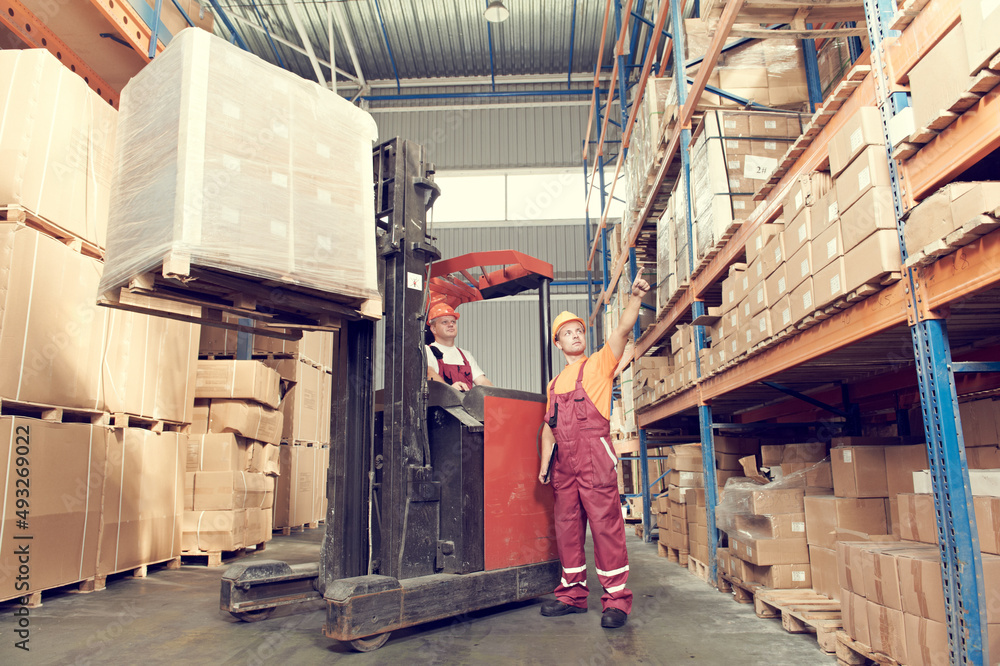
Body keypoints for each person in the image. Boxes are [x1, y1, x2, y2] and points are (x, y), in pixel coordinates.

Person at [537, 271, 650, 629]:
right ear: (558, 343)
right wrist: (544, 464)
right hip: (564, 464)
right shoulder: (554, 384)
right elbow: (548, 427)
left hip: (594, 458)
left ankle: (616, 600)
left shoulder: (599, 364)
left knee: (605, 526)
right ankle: (571, 594)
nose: (575, 335)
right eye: (567, 332)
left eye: (579, 331)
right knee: (567, 527)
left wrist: (634, 298)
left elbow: (620, 332)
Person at [425, 302, 494, 391]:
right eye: (444, 322)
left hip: (466, 404)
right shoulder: (427, 350)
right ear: (433, 329)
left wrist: (497, 397)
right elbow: (430, 373)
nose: (450, 324)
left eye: (453, 321)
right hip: (442, 404)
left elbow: (482, 381)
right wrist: (450, 391)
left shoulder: (465, 355)